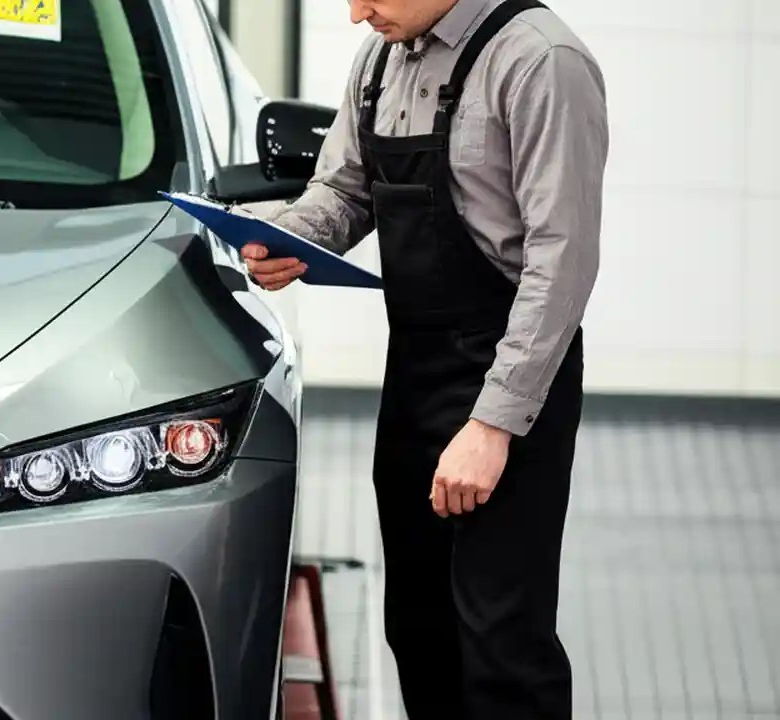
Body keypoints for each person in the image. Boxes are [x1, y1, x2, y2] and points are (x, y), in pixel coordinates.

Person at [243, 0, 608, 718]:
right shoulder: (382, 56)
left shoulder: (540, 61)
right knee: (418, 625)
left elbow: (561, 262)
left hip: (511, 382)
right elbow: (344, 189)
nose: (356, 13)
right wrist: (290, 235)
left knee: (502, 643)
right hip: (415, 373)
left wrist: (493, 425)